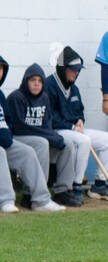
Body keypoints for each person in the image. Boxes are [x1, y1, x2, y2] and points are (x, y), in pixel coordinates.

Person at [0, 50, 63, 213]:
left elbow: (8, 122)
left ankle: (41, 200)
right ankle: (5, 201)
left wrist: (4, 135)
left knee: (27, 152)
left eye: (1, 68)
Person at [6, 64, 82, 207]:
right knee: (42, 143)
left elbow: (47, 125)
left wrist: (53, 137)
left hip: (38, 136)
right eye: (33, 80)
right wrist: (50, 136)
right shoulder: (16, 98)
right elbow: (20, 127)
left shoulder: (44, 98)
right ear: (26, 81)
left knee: (67, 144)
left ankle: (62, 191)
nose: (36, 84)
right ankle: (32, 193)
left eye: (40, 81)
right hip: (18, 137)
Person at [48, 46, 108, 199]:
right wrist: (71, 126)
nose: (77, 73)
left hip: (74, 129)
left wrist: (80, 121)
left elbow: (79, 110)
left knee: (106, 140)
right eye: (73, 69)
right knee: (84, 140)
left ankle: (100, 184)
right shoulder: (49, 85)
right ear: (63, 68)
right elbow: (50, 117)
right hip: (56, 131)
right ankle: (76, 186)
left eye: (78, 70)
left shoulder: (73, 88)